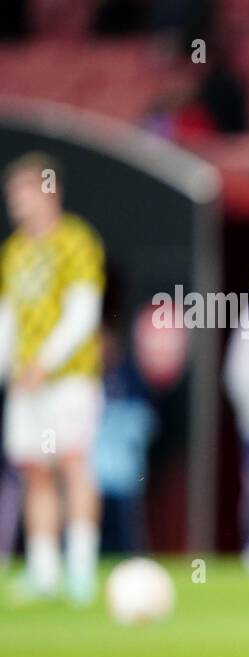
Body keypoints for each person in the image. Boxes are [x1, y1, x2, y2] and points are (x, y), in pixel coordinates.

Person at [0, 153, 105, 605]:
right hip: (27, 383)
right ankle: (45, 571)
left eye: (24, 191)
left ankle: (81, 568)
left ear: (49, 191)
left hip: (69, 380)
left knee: (74, 465)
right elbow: (7, 318)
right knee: (35, 472)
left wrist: (47, 360)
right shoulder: (15, 251)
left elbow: (83, 310)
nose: (16, 203)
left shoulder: (75, 241)